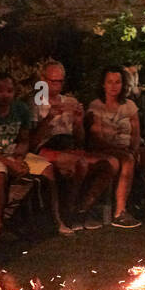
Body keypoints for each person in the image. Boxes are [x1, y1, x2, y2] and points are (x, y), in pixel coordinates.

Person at [0, 71, 66, 241]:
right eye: (0, 90)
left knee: (47, 168)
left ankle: (55, 219)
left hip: (13, 152)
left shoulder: (20, 109)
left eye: (9, 91)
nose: (5, 95)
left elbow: (24, 139)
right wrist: (9, 163)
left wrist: (19, 158)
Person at [31, 60, 113, 230]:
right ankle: (69, 211)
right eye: (53, 81)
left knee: (107, 165)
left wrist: (78, 121)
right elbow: (32, 140)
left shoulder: (69, 101)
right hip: (46, 147)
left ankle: (83, 207)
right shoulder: (36, 103)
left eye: (60, 81)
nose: (57, 85)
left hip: (68, 146)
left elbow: (79, 139)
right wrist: (49, 117)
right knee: (79, 164)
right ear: (43, 80)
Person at [87, 65, 145, 228]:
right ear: (103, 84)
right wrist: (124, 151)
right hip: (106, 149)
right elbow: (97, 138)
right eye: (110, 82)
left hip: (128, 148)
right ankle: (120, 212)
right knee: (127, 160)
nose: (114, 86)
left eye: (117, 82)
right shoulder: (96, 106)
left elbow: (136, 133)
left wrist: (135, 149)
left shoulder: (129, 105)